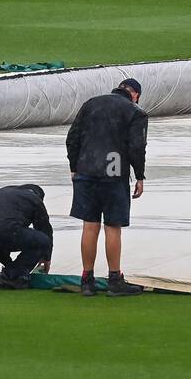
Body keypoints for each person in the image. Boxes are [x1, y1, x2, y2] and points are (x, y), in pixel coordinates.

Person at [65, 78, 148, 297]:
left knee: (90, 225)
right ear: (135, 95)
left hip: (86, 172)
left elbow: (72, 137)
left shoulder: (91, 103)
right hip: (114, 175)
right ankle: (114, 280)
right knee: (112, 226)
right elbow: (136, 147)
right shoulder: (135, 112)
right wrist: (139, 176)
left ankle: (87, 280)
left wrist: (75, 167)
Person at [0, 184, 53, 289]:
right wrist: (46, 257)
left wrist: (9, 264)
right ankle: (11, 277)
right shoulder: (34, 199)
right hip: (4, 231)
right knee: (42, 241)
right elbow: (44, 230)